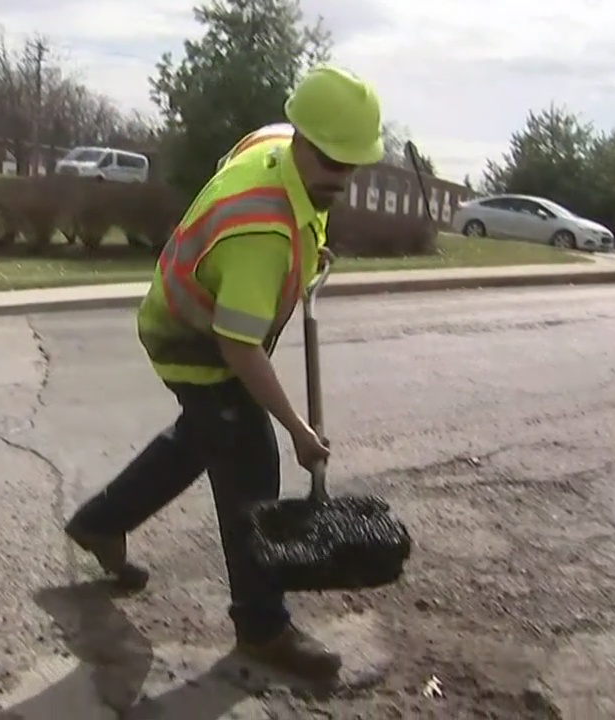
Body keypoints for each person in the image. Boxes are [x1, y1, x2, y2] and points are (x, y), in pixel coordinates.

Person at [63, 65, 385, 680]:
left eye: (353, 165)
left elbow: (247, 167)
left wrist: (306, 247)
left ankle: (99, 523)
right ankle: (262, 627)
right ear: (302, 140)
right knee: (252, 470)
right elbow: (239, 349)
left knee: (205, 438)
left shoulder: (273, 145)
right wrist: (295, 427)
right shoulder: (259, 231)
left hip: (195, 311)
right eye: (333, 164)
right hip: (193, 341)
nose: (343, 179)